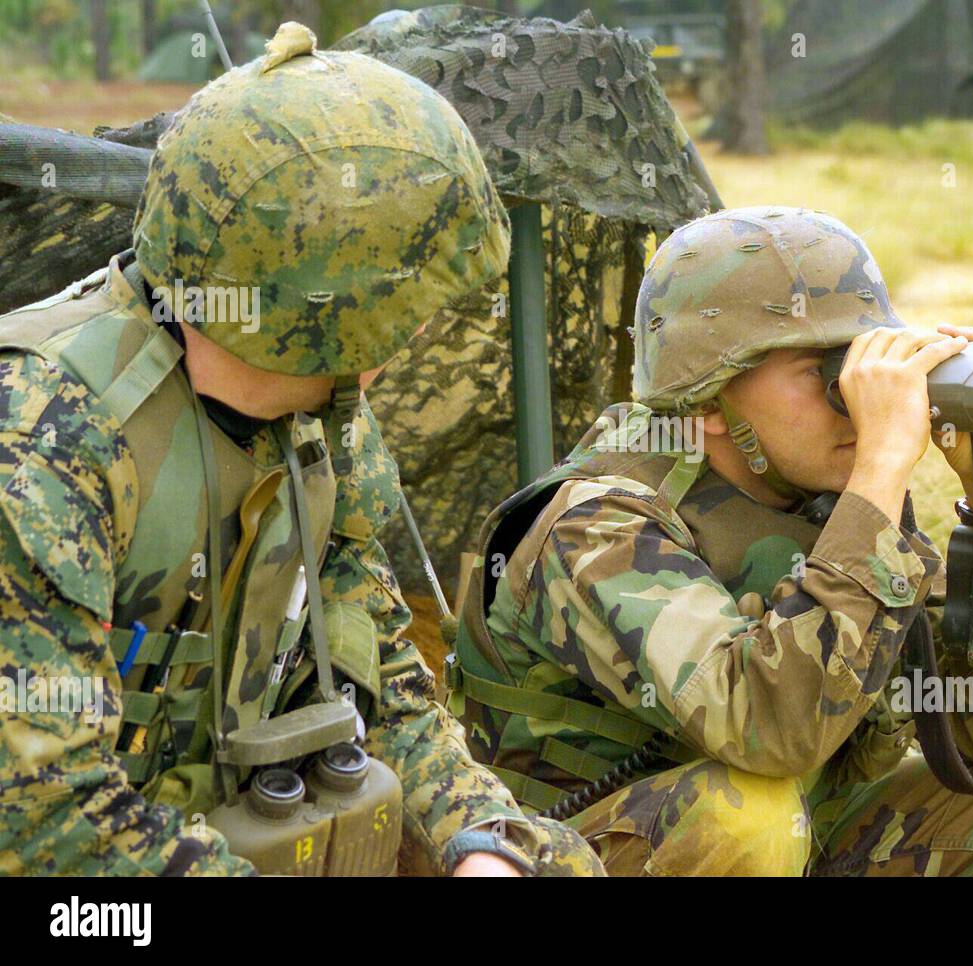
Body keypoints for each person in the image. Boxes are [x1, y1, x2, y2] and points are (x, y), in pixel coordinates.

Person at [0, 23, 599, 877]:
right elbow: (41, 826)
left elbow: (384, 674)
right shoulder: (43, 443)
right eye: (411, 296)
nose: (425, 324)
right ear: (328, 306)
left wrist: (480, 843)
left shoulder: (320, 413)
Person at [451, 205, 973, 876]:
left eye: (860, 363)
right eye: (823, 370)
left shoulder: (823, 496)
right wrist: (876, 479)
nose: (854, 394)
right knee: (749, 815)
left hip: (794, 826)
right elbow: (769, 731)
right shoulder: (598, 524)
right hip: (577, 849)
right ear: (707, 400)